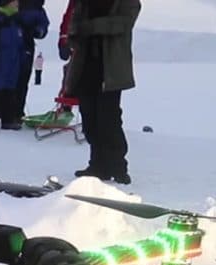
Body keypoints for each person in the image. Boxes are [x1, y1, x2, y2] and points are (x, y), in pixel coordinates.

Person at [64, 0, 140, 185]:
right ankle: (97, 165)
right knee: (89, 119)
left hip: (110, 69)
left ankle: (118, 166)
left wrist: (92, 27)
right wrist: (74, 34)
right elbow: (75, 23)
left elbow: (123, 23)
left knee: (109, 120)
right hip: (86, 65)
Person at [0, 0, 26, 132]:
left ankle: (7, 120)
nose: (17, 3)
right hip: (0, 59)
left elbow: (21, 42)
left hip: (14, 60)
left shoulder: (16, 20)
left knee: (10, 89)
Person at [12, 0, 50, 125]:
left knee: (22, 81)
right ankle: (6, 111)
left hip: (26, 47)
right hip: (10, 46)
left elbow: (43, 26)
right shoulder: (14, 3)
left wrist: (38, 31)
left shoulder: (38, 8)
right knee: (10, 79)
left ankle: (16, 113)